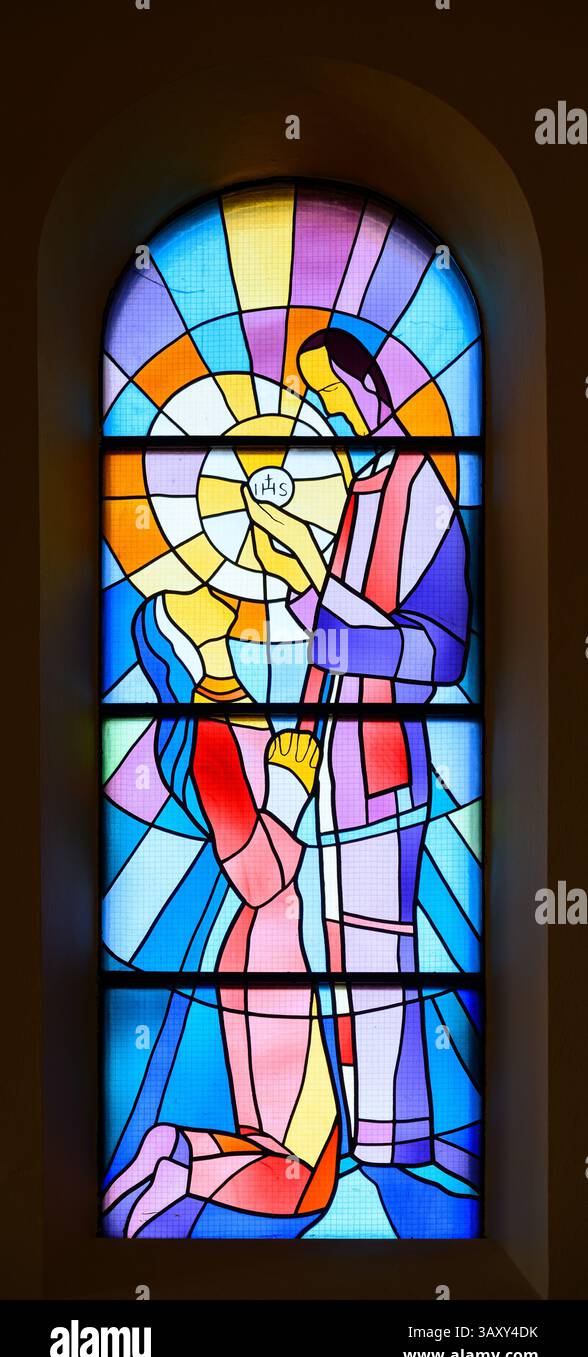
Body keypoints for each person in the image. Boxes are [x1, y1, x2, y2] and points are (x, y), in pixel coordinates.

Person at [103, 328, 470, 1234]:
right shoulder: (350, 502)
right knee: (340, 957)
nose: (321, 421)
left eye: (331, 404)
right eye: (313, 408)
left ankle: (389, 1144)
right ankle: (357, 1142)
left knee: (381, 953)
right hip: (323, 772)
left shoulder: (420, 493)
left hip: (379, 771)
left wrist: (322, 604)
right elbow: (323, 632)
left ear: (368, 395)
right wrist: (308, 587)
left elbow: (441, 650)